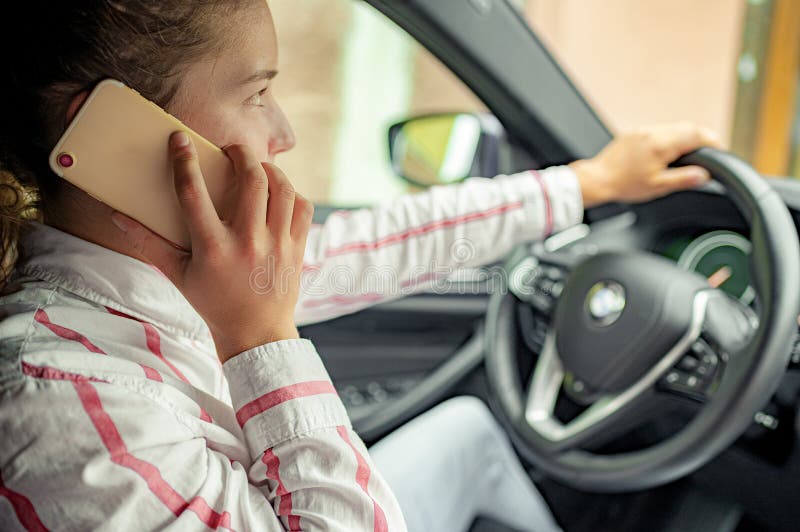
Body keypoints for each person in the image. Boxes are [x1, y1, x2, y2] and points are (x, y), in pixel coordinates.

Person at [0, 1, 719, 531]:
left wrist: (584, 185)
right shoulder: (59, 404)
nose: (283, 134)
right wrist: (261, 341)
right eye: (255, 93)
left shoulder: (182, 273)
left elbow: (379, 246)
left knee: (469, 431)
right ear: (105, 131)